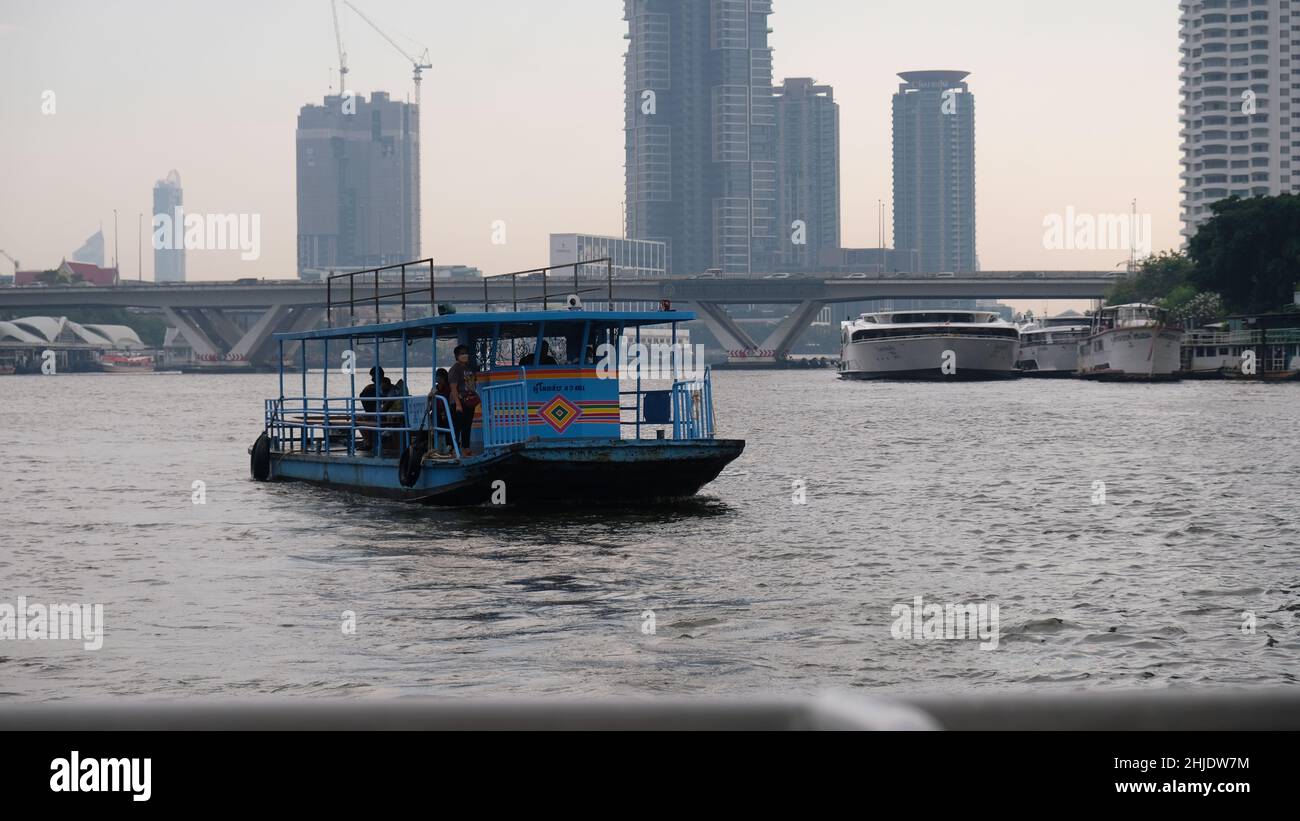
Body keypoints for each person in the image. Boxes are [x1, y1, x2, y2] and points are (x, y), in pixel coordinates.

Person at [448, 345, 478, 456]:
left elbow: (472, 384)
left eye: (466, 353)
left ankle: (466, 447)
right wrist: (458, 404)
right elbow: (453, 388)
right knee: (457, 426)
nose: (464, 355)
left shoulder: (469, 368)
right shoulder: (455, 369)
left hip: (469, 401)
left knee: (467, 425)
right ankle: (453, 448)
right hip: (459, 401)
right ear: (456, 356)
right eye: (462, 353)